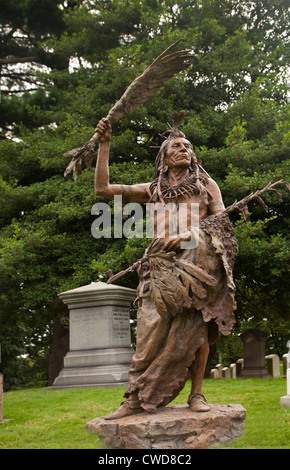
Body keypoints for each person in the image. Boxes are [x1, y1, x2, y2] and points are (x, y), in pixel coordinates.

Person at [94, 115, 238, 419]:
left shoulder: (207, 186)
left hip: (197, 267)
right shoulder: (152, 190)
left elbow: (223, 227)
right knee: (147, 333)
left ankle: (196, 394)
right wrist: (104, 145)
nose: (183, 148)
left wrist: (190, 236)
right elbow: (103, 189)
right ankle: (135, 397)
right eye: (176, 146)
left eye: (187, 145)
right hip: (158, 268)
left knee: (197, 334)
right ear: (164, 157)